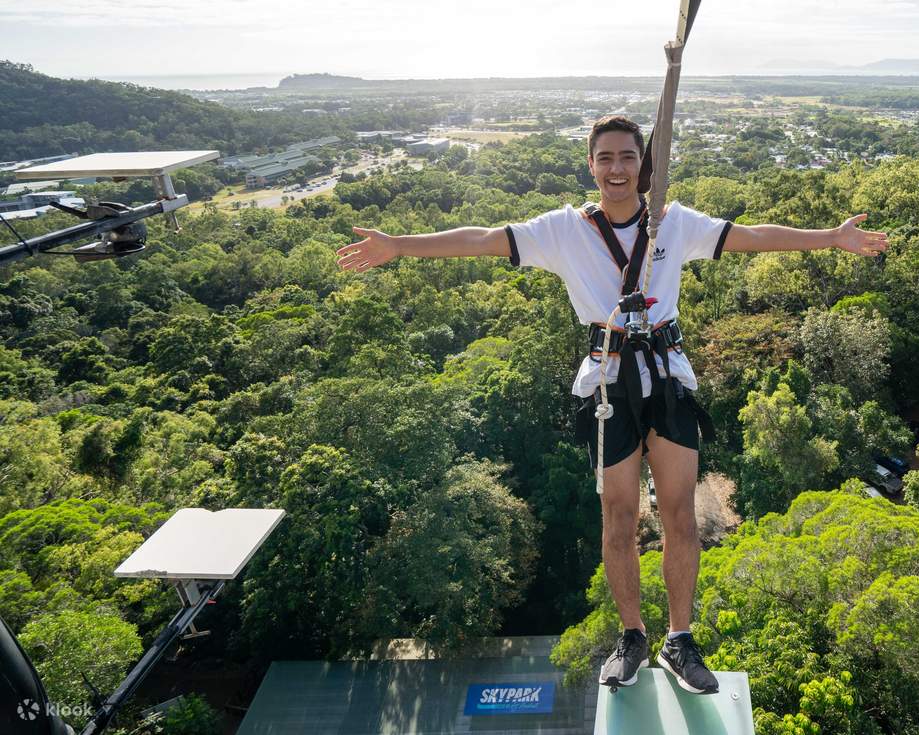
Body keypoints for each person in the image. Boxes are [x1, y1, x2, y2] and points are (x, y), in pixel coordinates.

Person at [335, 115, 888, 694]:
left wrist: (831, 236)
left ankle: (680, 640)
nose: (618, 169)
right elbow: (481, 239)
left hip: (667, 376)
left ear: (645, 166)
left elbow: (751, 235)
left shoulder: (673, 223)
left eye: (628, 157)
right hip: (607, 383)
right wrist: (398, 246)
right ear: (591, 165)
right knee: (619, 517)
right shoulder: (564, 231)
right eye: (607, 158)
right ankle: (632, 637)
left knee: (680, 515)